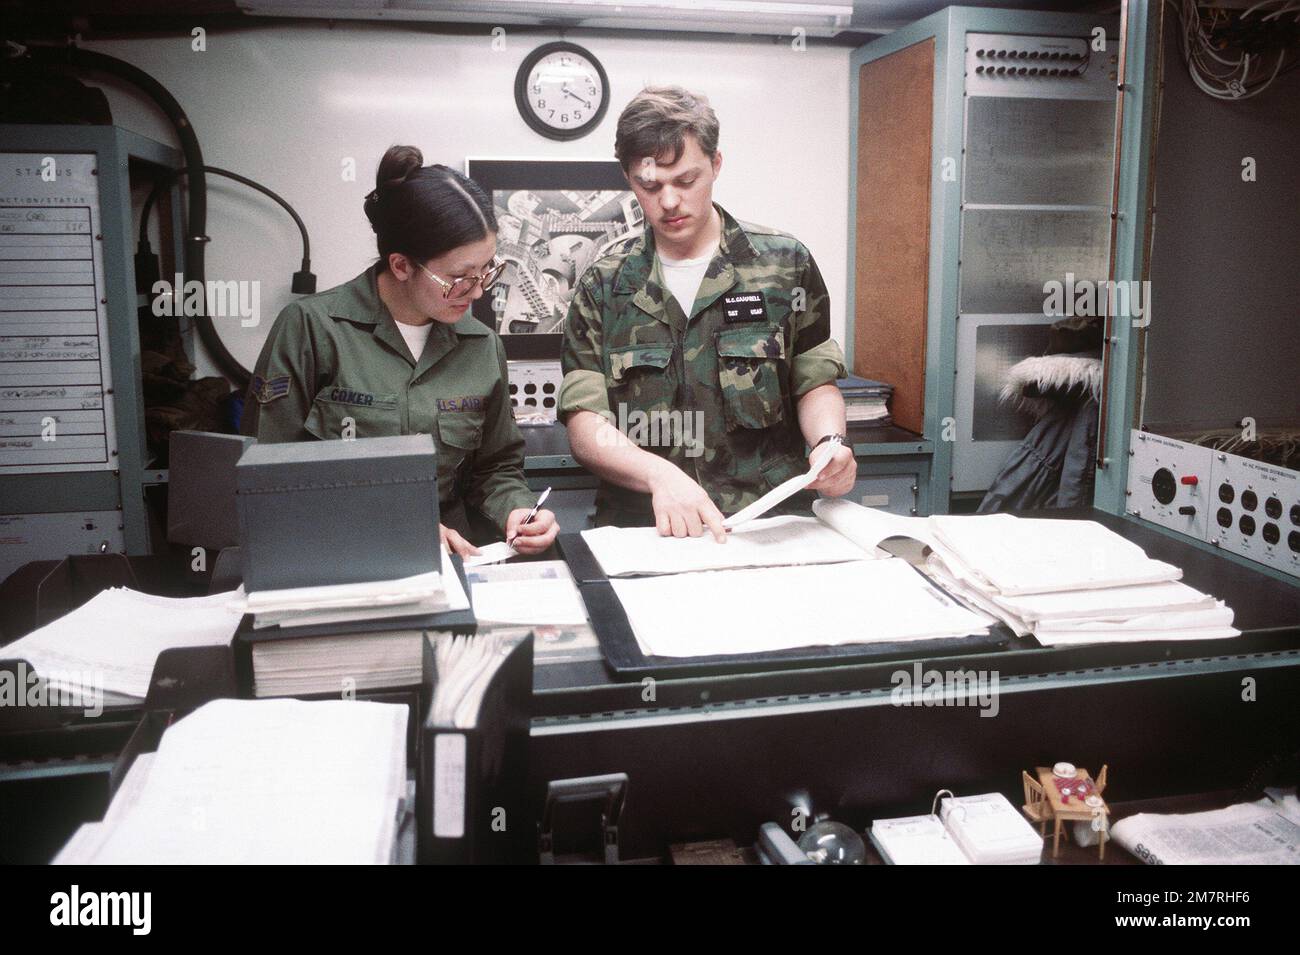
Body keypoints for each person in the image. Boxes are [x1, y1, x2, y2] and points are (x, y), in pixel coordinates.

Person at [559, 86, 856, 540]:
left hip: (767, 524)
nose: (670, 201)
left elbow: (813, 380)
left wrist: (830, 444)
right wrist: (659, 476)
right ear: (628, 178)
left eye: (685, 180)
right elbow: (585, 424)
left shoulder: (783, 264)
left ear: (716, 165)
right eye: (650, 186)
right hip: (649, 527)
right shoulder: (603, 283)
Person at [242, 145, 558, 557]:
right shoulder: (310, 329)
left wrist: (515, 510)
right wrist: (397, 524)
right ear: (401, 266)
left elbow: (495, 468)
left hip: (454, 558)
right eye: (459, 278)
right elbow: (269, 477)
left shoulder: (481, 345)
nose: (478, 290)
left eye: (488, 270)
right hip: (335, 554)